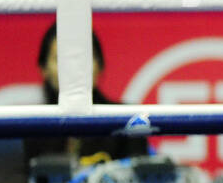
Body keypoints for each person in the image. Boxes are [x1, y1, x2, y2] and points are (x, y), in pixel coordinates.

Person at [25, 24, 150, 167]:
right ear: (44, 69)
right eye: (60, 59)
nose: (73, 68)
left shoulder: (128, 120)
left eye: (83, 58)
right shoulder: (29, 127)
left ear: (100, 65)